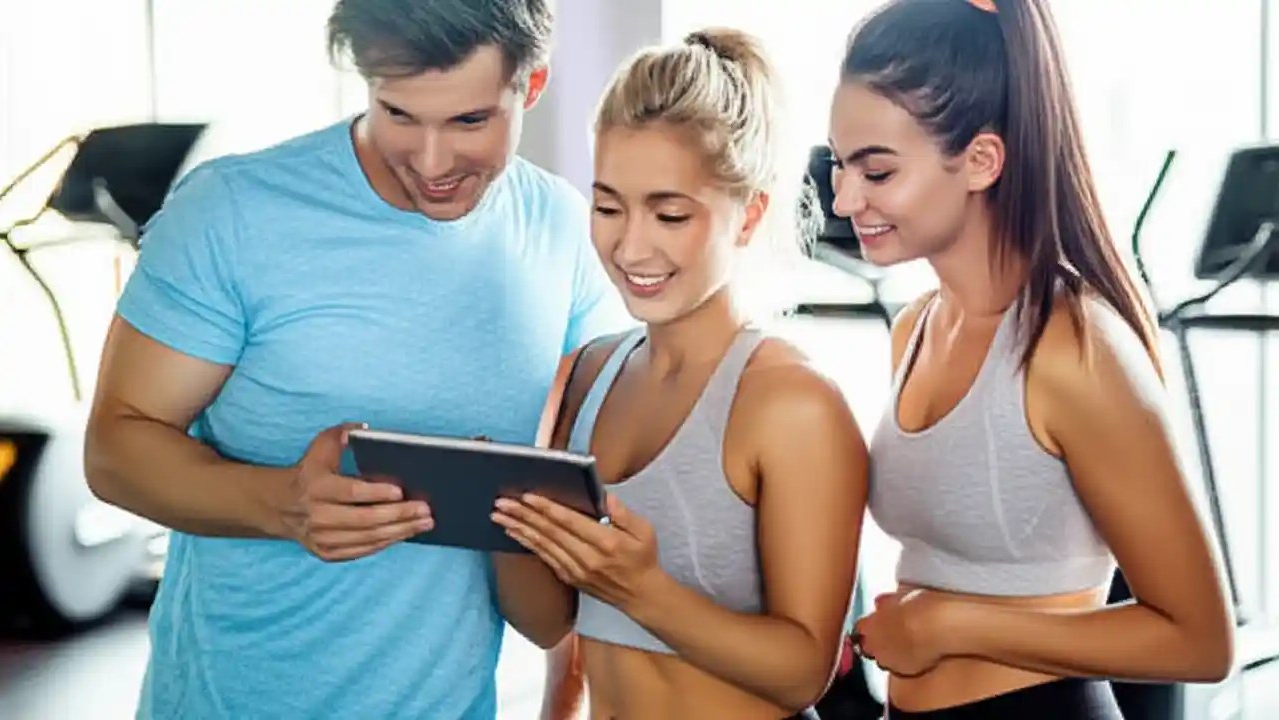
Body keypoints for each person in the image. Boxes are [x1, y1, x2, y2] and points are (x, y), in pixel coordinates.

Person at [82, 1, 631, 718]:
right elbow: (114, 450)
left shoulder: (561, 229)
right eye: (399, 113)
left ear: (530, 87)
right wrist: (281, 504)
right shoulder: (232, 212)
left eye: (469, 121)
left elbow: (591, 489)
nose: (432, 163)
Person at [826, 0, 1235, 718]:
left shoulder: (1073, 348)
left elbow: (1200, 641)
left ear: (981, 161)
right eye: (840, 165)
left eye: (877, 171)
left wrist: (950, 625)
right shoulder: (917, 328)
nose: (845, 196)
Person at [490, 27, 869, 720]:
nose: (630, 245)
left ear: (749, 215)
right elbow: (554, 623)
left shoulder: (792, 403)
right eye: (607, 206)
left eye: (668, 214)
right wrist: (498, 520)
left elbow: (803, 670)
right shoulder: (593, 373)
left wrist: (642, 587)